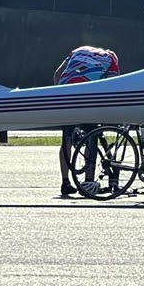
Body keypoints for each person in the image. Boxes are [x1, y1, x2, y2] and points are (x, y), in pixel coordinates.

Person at [55, 45, 120, 196]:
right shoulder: (111, 59)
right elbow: (113, 85)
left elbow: (58, 73)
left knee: (67, 140)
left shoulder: (78, 50)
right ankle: (88, 182)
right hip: (86, 94)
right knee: (91, 136)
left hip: (65, 91)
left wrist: (58, 94)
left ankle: (65, 182)